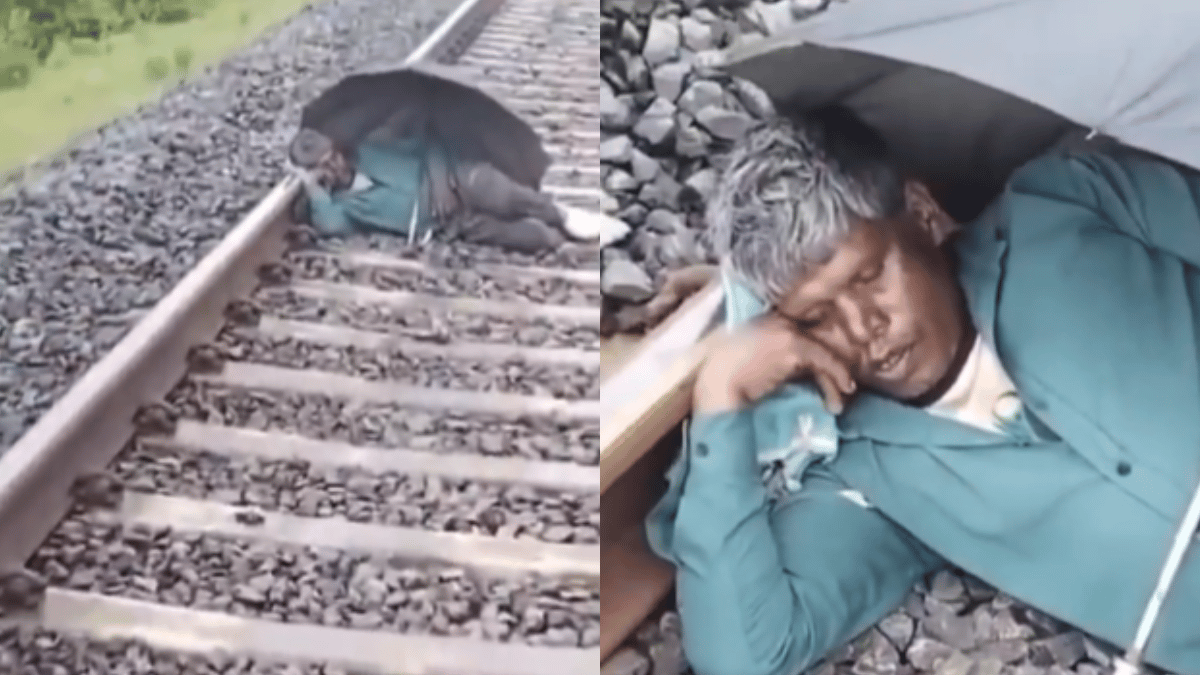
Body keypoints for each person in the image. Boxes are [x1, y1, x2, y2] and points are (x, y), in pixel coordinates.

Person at [644, 109, 1200, 675]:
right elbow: (747, 657)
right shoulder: (870, 480)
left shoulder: (1066, 204)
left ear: (922, 213)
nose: (863, 329)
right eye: (816, 318)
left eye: (868, 278)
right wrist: (721, 402)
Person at [287, 127, 620, 253]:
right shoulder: (340, 204)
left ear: (340, 151)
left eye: (333, 158)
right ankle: (567, 243)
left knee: (501, 195)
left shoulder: (372, 148)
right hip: (446, 223)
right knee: (531, 238)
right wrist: (313, 189)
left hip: (455, 178)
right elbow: (333, 228)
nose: (334, 168)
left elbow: (431, 141)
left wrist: (440, 180)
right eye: (322, 168)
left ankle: (561, 213)